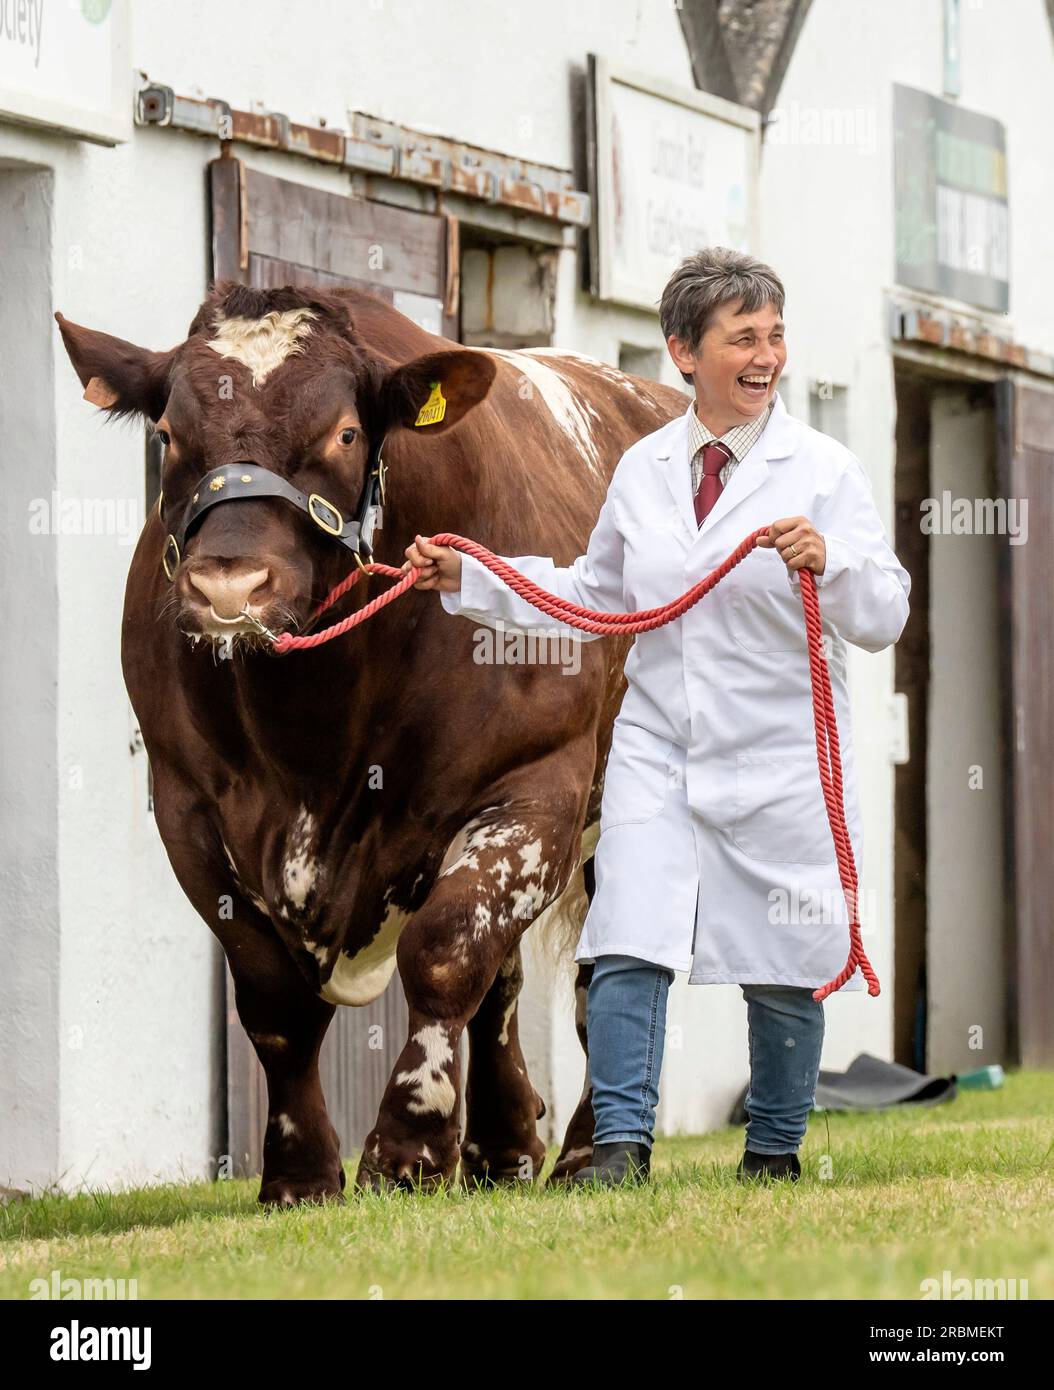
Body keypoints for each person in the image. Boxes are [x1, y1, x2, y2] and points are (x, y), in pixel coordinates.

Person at [403, 247, 911, 1186]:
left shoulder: (825, 471)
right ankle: (620, 1151)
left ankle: (775, 1152)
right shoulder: (643, 470)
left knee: (783, 950)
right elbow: (598, 593)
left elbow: (885, 611)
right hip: (660, 738)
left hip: (784, 747)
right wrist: (474, 576)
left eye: (774, 337)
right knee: (626, 931)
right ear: (684, 351)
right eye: (742, 339)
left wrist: (829, 560)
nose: (766, 358)